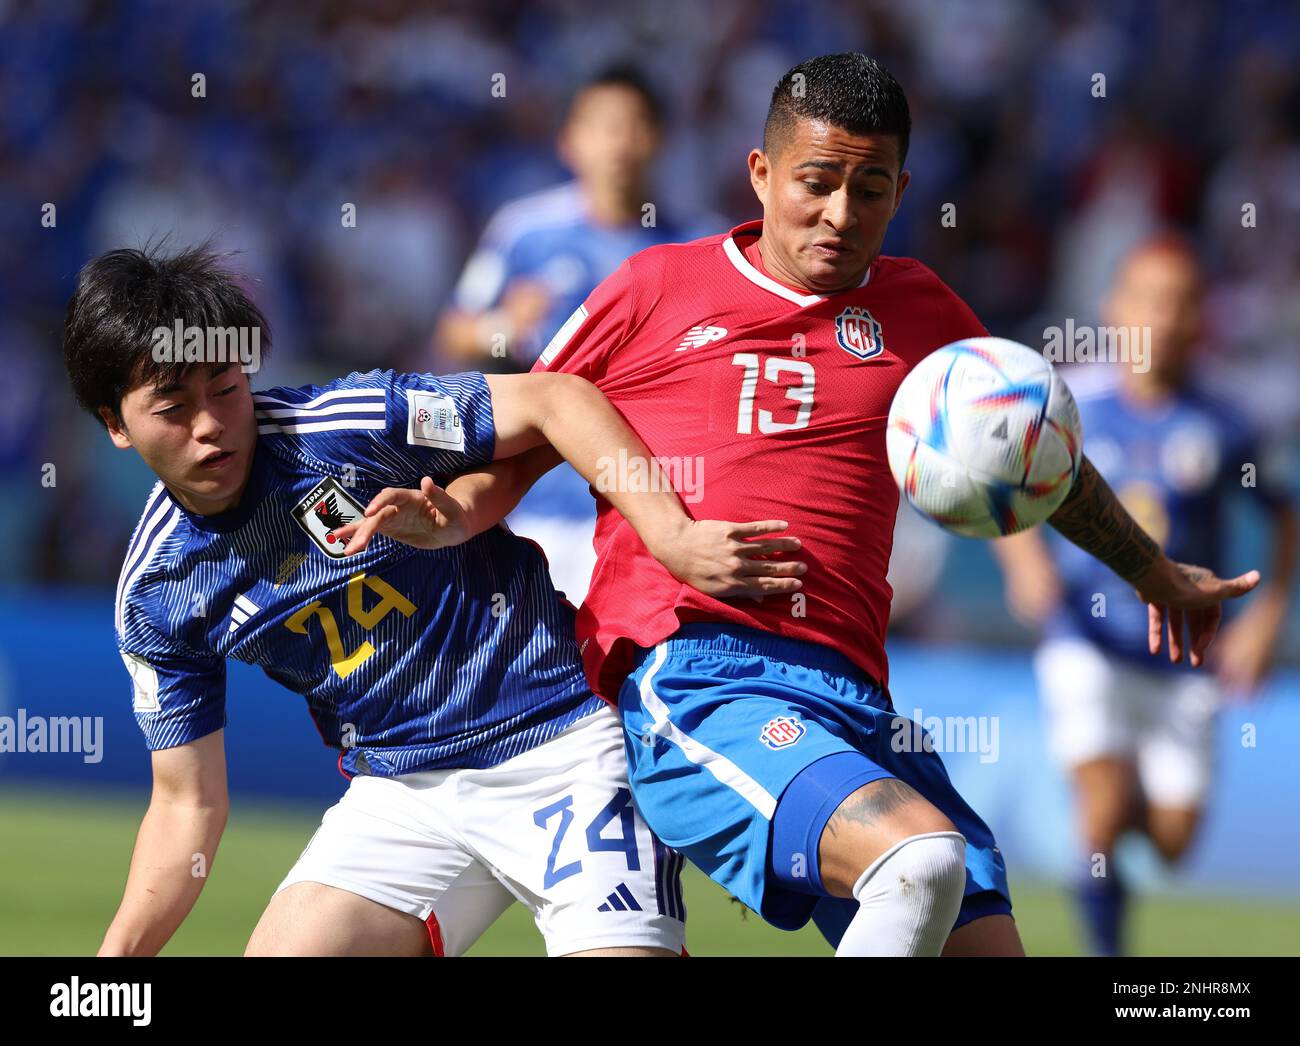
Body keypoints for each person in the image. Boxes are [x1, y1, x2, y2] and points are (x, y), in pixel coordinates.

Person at [350, 53, 1258, 957]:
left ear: (902, 190)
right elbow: (530, 436)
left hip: (857, 697)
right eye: (817, 183)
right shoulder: (655, 288)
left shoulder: (923, 312)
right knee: (920, 863)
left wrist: (1154, 572)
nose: (839, 214)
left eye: (870, 190)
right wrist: (459, 514)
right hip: (702, 673)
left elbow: (1036, 459)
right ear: (762, 172)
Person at [64, 244, 803, 957]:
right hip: (404, 789)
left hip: (568, 739)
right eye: (172, 406)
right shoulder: (157, 590)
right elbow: (186, 804)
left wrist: (671, 534)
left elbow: (556, 399)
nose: (209, 425)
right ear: (115, 425)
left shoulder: (347, 427)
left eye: (226, 389)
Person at [993, 235, 1296, 955]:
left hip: (1185, 657)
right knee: (1098, 817)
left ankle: (1121, 820)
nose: (1159, 318)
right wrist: (1023, 562)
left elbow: (1285, 516)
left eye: (1179, 302)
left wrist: (1266, 620)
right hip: (1085, 639)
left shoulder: (1228, 421)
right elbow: (999, 479)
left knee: (1172, 843)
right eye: (1146, 299)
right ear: (1113, 308)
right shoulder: (1071, 407)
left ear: (1201, 319)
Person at [436, 64, 712, 604]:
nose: (620, 143)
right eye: (604, 125)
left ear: (659, 140)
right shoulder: (524, 232)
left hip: (646, 512)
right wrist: (504, 328)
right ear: (570, 141)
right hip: (534, 503)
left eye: (635, 125)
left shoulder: (698, 245)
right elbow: (453, 333)